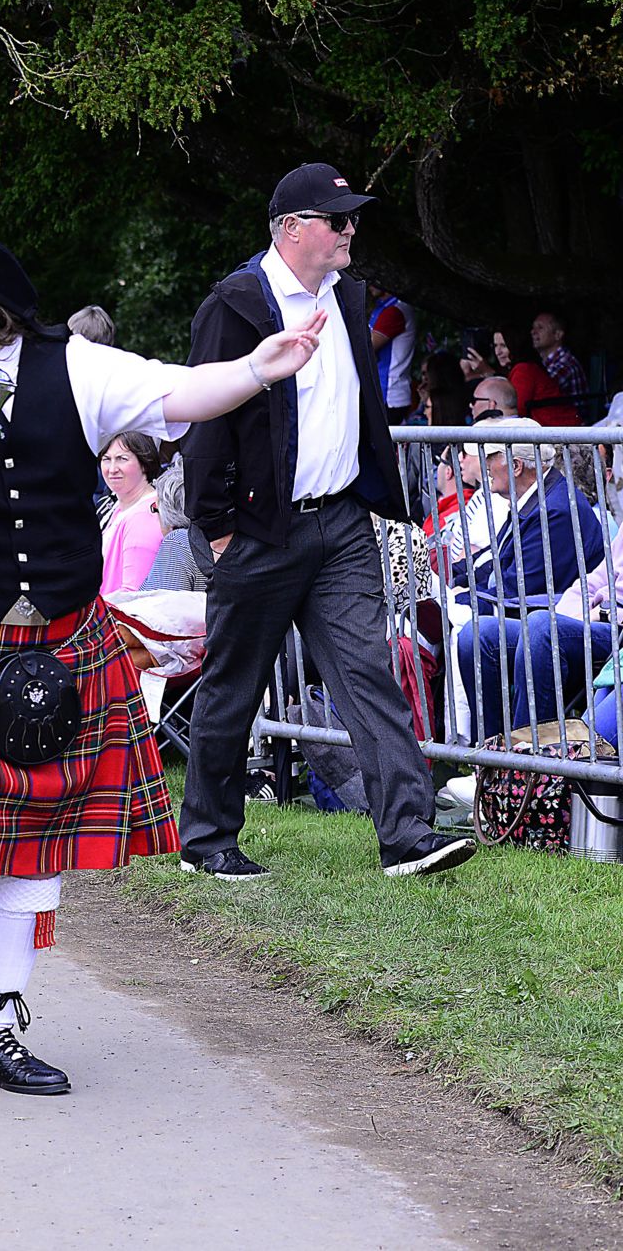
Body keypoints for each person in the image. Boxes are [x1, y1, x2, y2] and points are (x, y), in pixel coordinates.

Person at [0, 221, 328, 1093]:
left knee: (38, 845)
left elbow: (179, 393)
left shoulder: (78, 369)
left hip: (61, 641)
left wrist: (259, 368)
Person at [181, 163, 475, 881]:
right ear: (292, 229)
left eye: (351, 218)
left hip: (340, 520)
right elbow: (203, 415)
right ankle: (207, 840)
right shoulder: (236, 303)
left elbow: (357, 405)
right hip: (255, 531)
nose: (351, 230)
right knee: (235, 683)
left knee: (370, 672)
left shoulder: (349, 295)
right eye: (336, 219)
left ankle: (408, 836)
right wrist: (217, 527)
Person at [451, 417, 606, 738]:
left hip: (577, 627)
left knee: (536, 628)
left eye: (489, 458)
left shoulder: (557, 509)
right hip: (559, 614)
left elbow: (518, 586)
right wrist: (456, 583)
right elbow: (498, 566)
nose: (483, 466)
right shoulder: (535, 498)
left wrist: (459, 597)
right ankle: (491, 760)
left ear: (517, 465)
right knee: (475, 635)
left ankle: (526, 769)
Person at [463, 327, 573, 427]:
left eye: (504, 346)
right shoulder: (518, 368)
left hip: (560, 436)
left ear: (514, 346)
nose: (498, 352)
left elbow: (515, 411)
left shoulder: (524, 369)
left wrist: (491, 374)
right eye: (495, 345)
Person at [98, 432, 164, 594]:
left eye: (122, 459)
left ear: (144, 463)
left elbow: (133, 594)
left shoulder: (144, 517)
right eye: (107, 459)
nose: (112, 469)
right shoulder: (119, 507)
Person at [367, 284, 417, 424]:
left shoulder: (395, 310)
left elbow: (365, 348)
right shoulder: (383, 307)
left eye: (373, 280)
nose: (369, 285)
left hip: (390, 393)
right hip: (383, 390)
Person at [532, 311, 589, 417]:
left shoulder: (565, 365)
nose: (533, 332)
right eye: (533, 327)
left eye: (540, 328)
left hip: (574, 428)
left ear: (558, 335)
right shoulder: (548, 363)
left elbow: (538, 391)